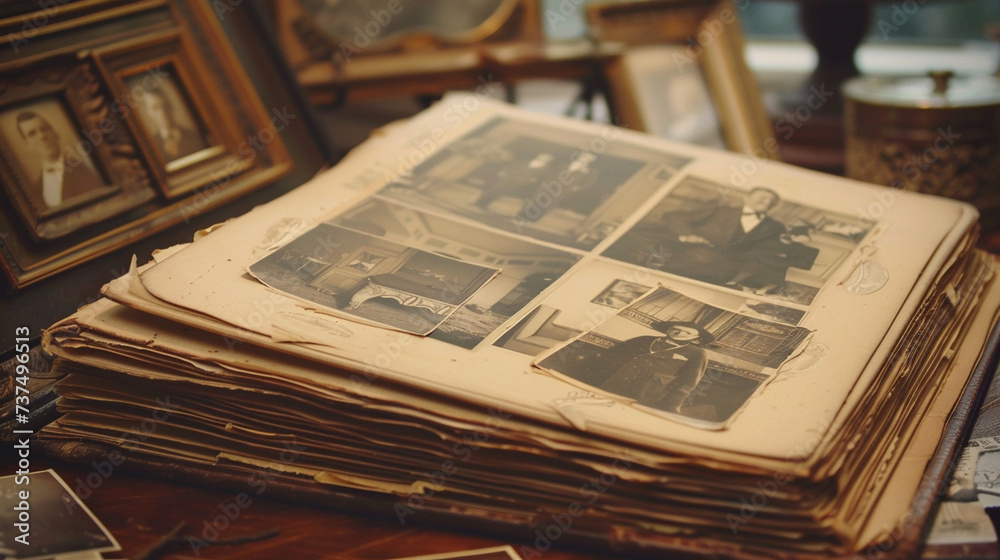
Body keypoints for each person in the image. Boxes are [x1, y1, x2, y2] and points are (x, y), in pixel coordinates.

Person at [659, 186, 786, 285]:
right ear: (746, 197)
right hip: (693, 259)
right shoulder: (721, 210)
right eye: (763, 197)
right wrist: (688, 235)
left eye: (772, 201)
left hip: (726, 272)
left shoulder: (775, 227)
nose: (768, 201)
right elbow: (674, 216)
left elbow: (765, 255)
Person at [595, 320, 714, 414]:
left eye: (687, 333)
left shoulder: (697, 353)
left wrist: (673, 405)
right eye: (675, 329)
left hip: (649, 394)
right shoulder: (644, 339)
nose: (679, 334)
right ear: (668, 329)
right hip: (615, 384)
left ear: (696, 337)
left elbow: (689, 382)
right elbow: (613, 355)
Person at [16, 111, 105, 209]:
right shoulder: (36, 191)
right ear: (27, 144)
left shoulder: (86, 168)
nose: (42, 136)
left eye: (44, 129)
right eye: (32, 134)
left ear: (55, 133)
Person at [733, 223, 820, 294]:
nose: (803, 241)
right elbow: (760, 249)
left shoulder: (796, 246)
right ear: (794, 235)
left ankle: (762, 289)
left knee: (777, 274)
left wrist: (785, 260)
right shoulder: (773, 237)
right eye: (800, 238)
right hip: (761, 259)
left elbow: (806, 256)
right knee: (756, 269)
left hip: (776, 264)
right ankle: (745, 285)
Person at [141, 88, 206, 161]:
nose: (162, 113)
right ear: (149, 112)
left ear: (171, 106)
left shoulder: (194, 136)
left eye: (165, 106)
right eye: (155, 108)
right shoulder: (150, 146)